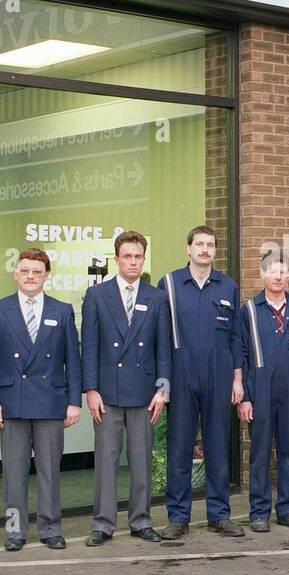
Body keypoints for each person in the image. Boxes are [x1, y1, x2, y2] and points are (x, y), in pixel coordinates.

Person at [0, 248, 82, 551]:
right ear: (15, 273)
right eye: (25, 270)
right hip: (12, 401)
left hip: (51, 401)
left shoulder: (62, 310)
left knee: (49, 471)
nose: (30, 277)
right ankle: (15, 531)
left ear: (46, 276)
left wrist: (74, 400)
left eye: (37, 272)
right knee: (14, 473)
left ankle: (50, 529)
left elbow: (72, 360)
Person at [82, 231, 171, 544]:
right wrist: (90, 389)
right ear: (116, 259)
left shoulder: (156, 296)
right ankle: (103, 524)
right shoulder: (97, 295)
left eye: (138, 256)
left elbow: (163, 348)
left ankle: (141, 521)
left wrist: (163, 390)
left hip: (145, 393)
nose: (133, 262)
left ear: (143, 258)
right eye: (127, 256)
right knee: (106, 461)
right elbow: (89, 346)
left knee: (141, 460)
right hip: (107, 392)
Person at [158, 226, 246, 538]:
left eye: (210, 245)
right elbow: (160, 339)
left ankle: (219, 515)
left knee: (217, 448)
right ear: (188, 248)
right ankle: (178, 518)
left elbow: (237, 337)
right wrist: (162, 383)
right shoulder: (168, 284)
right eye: (199, 244)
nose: (205, 250)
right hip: (181, 374)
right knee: (180, 448)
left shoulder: (229, 286)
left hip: (219, 374)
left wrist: (237, 378)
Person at [238, 251, 289, 531]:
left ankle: (288, 509)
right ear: (262, 274)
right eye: (272, 271)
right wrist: (244, 398)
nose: (277, 276)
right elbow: (241, 355)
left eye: (283, 272)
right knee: (260, 454)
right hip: (259, 393)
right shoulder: (248, 310)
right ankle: (259, 512)